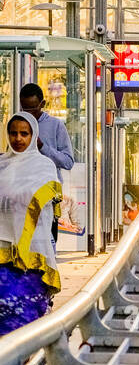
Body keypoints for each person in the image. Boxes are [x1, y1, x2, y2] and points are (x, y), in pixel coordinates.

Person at [0, 112, 62, 334]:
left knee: (26, 318)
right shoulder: (1, 166)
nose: (18, 138)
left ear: (33, 135)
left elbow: (44, 206)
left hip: (33, 257)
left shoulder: (44, 167)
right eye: (13, 133)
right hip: (3, 255)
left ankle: (25, 363)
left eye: (24, 133)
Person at [18, 83, 74, 245]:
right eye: (25, 109)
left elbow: (68, 162)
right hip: (23, 192)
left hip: (49, 194)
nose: (29, 114)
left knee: (48, 241)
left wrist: (43, 147)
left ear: (42, 105)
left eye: (33, 109)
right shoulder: (17, 124)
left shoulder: (56, 126)